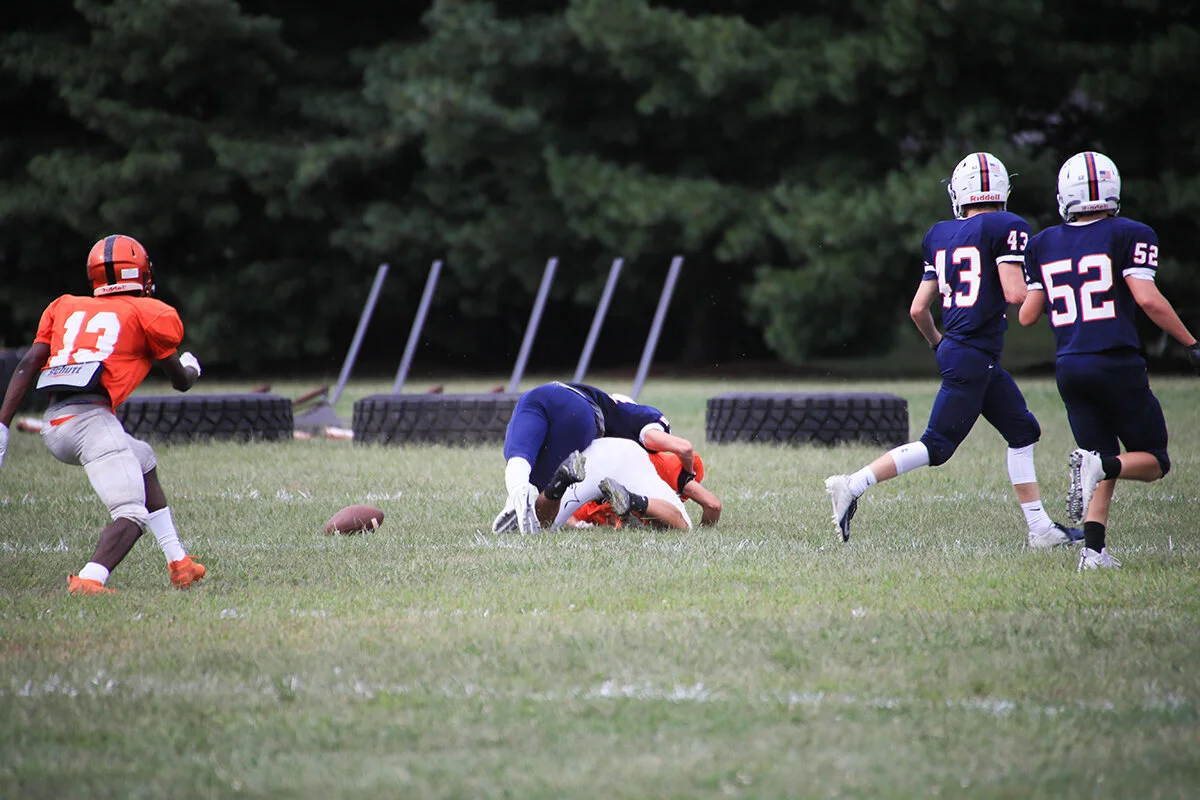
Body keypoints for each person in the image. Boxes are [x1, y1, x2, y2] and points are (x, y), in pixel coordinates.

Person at [824, 152, 1081, 549]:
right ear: (1001, 191)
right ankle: (851, 485)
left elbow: (917, 308)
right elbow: (1015, 293)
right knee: (937, 446)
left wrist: (938, 345)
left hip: (960, 350)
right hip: (974, 354)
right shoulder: (1007, 225)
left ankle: (1040, 529)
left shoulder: (940, 234)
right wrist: (1054, 281)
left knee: (1023, 431)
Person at [1018, 151, 1200, 570]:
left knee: (1097, 460)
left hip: (1070, 365)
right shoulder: (1131, 233)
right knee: (1153, 461)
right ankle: (1100, 469)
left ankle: (1093, 551)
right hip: (1115, 360)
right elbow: (1148, 299)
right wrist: (1190, 342)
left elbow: (1027, 315)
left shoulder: (1043, 242)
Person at [0, 234, 207, 593]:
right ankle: (90, 579)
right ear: (140, 273)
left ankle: (179, 562)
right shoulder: (147, 313)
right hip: (91, 423)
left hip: (55, 423)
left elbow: (31, 361)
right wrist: (192, 367)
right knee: (131, 513)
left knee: (142, 459)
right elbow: (180, 381)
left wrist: (2, 425)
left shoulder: (65, 306)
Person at [494, 383, 697, 533]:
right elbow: (678, 447)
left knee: (521, 457)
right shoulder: (632, 422)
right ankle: (633, 501)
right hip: (612, 451)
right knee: (682, 523)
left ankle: (545, 484)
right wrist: (687, 475)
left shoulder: (608, 409)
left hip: (541, 398)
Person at [559, 445, 721, 530]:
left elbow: (565, 516)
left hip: (598, 482)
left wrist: (581, 527)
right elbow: (713, 505)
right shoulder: (668, 467)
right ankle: (634, 501)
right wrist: (704, 530)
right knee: (681, 525)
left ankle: (630, 505)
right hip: (628, 479)